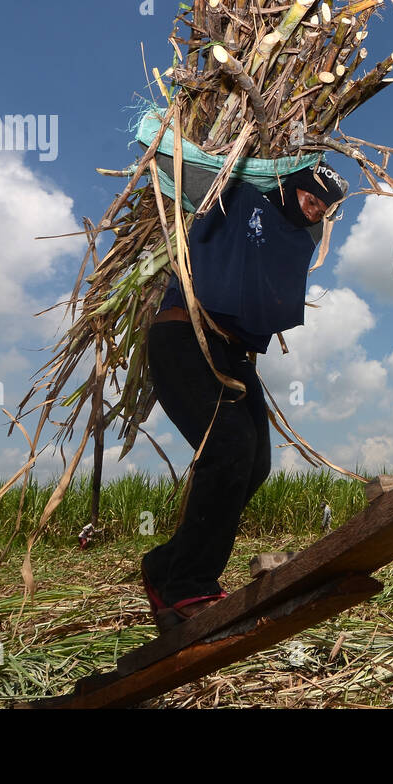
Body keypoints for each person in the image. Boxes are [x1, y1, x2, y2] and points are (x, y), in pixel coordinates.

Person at [140, 162, 348, 633]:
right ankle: (188, 588)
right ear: (289, 183)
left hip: (232, 354)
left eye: (323, 206)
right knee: (228, 447)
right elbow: (179, 166)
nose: (313, 208)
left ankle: (165, 565)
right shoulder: (234, 195)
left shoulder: (299, 240)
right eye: (308, 195)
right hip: (185, 335)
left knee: (254, 462)